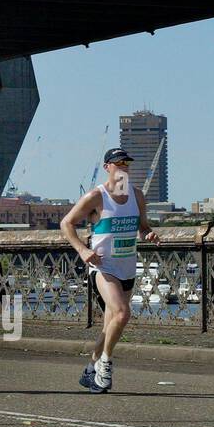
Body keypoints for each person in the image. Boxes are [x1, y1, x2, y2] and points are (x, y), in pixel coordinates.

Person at [60, 148, 160, 394]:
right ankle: (104, 367)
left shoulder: (137, 196)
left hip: (127, 268)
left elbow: (142, 227)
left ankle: (90, 368)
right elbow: (67, 223)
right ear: (107, 167)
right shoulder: (97, 196)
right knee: (123, 314)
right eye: (119, 163)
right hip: (103, 267)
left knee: (111, 325)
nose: (124, 167)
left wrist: (149, 234)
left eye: (127, 163)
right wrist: (83, 251)